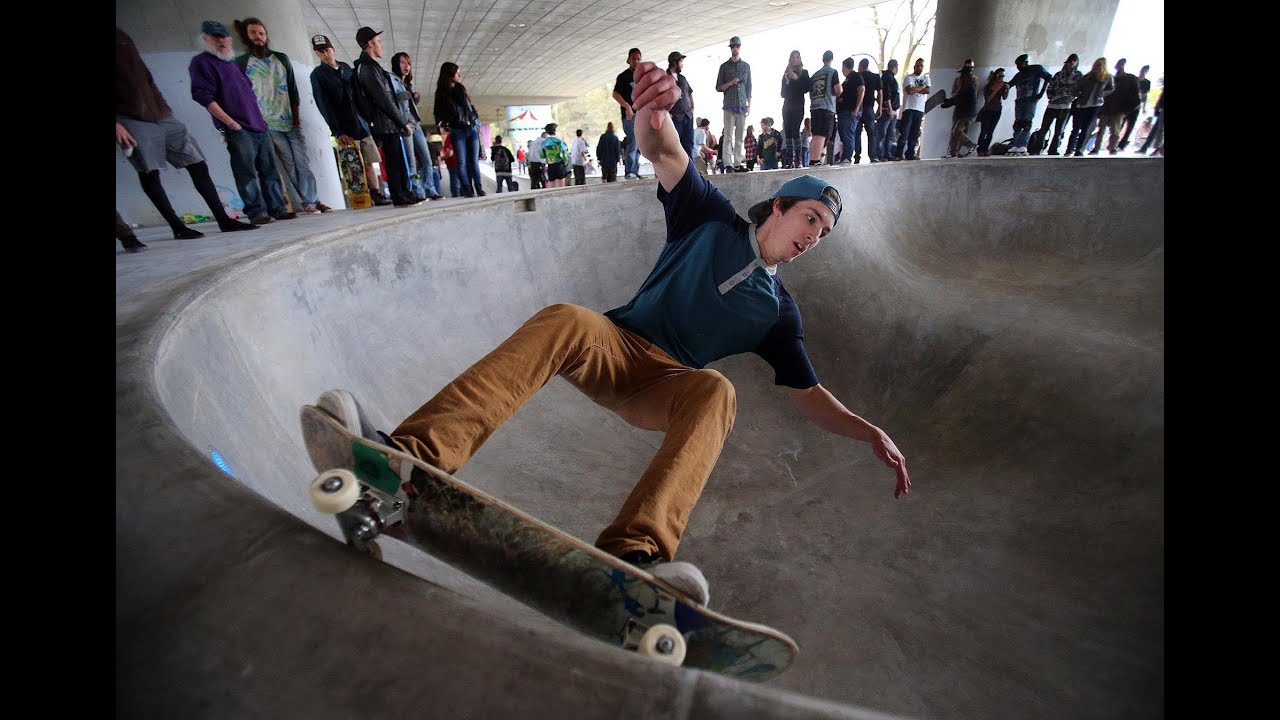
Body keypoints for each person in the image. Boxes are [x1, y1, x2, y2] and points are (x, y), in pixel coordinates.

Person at [314, 58, 911, 607]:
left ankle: (636, 555)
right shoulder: (708, 216)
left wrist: (868, 431)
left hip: (664, 385)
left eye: (824, 232)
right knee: (568, 317)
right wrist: (653, 113)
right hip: (613, 348)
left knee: (717, 391)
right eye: (810, 218)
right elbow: (665, 151)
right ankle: (411, 460)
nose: (813, 236)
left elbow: (809, 394)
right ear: (779, 206)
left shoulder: (779, 311)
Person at [116, 26, 257, 237]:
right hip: (129, 117)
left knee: (197, 164)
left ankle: (224, 220)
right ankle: (177, 227)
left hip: (162, 113)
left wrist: (163, 106)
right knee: (149, 171)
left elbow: (145, 76)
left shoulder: (122, 35)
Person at [189, 20, 293, 225]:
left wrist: (261, 121)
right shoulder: (202, 63)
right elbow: (204, 97)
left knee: (269, 170)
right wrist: (230, 123)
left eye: (225, 37)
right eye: (216, 37)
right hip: (238, 128)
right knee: (246, 172)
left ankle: (278, 208)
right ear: (205, 39)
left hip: (259, 125)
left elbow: (248, 95)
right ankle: (257, 212)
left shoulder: (231, 64)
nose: (223, 41)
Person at [233, 17, 329, 214]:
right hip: (266, 124)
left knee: (302, 162)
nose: (258, 37)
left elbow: (292, 89)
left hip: (289, 120)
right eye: (253, 33)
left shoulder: (281, 59)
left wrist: (296, 117)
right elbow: (242, 95)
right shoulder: (241, 63)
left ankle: (312, 199)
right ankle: (307, 203)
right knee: (288, 165)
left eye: (261, 33)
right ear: (246, 36)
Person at [309, 33, 389, 205]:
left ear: (333, 49)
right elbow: (324, 105)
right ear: (316, 53)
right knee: (354, 165)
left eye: (327, 49)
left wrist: (368, 119)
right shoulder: (318, 75)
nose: (325, 54)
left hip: (361, 123)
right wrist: (337, 131)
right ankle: (361, 197)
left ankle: (376, 193)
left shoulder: (346, 68)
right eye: (321, 51)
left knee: (370, 160)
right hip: (345, 127)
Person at [352, 27, 422, 207]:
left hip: (388, 122)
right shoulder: (367, 68)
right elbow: (383, 99)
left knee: (398, 160)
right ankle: (400, 196)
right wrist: (402, 122)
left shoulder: (371, 67)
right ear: (370, 44)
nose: (380, 45)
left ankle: (404, 193)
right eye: (378, 42)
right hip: (385, 122)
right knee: (394, 161)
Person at [390, 52, 444, 200]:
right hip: (405, 125)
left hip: (416, 124)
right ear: (396, 64)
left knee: (427, 159)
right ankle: (417, 191)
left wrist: (415, 98)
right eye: (403, 62)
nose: (406, 66)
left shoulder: (410, 83)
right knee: (411, 161)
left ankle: (430, 189)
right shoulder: (392, 80)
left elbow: (410, 105)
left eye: (408, 63)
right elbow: (394, 102)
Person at [433, 61, 484, 197]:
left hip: (471, 128)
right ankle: (467, 188)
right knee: (461, 162)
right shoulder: (442, 93)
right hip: (457, 130)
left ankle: (478, 187)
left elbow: (470, 106)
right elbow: (437, 112)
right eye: (457, 73)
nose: (459, 75)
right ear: (450, 74)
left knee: (473, 161)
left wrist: (474, 117)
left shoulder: (461, 89)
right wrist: (444, 125)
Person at [1064, 57, 1114, 156]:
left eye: (1099, 65)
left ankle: (1079, 150)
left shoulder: (1107, 77)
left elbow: (1111, 88)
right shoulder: (1087, 77)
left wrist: (1102, 94)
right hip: (1081, 105)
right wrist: (1078, 94)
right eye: (1095, 65)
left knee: (1086, 128)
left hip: (1095, 105)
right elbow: (1076, 89)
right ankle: (1069, 149)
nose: (1096, 67)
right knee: (1076, 128)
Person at [716, 37, 752, 172]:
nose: (735, 48)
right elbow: (718, 87)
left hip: (742, 105)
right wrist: (730, 83)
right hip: (729, 105)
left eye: (737, 46)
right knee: (728, 136)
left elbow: (749, 86)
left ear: (740, 47)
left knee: (739, 137)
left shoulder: (746, 66)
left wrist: (749, 104)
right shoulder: (724, 67)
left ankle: (737, 163)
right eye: (732, 46)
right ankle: (728, 164)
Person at [1005, 53, 1053, 155]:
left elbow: (1048, 77)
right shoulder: (1018, 75)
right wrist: (1005, 86)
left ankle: (1023, 144)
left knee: (1027, 123)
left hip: (1030, 100)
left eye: (1020, 64)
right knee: (1018, 123)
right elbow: (1010, 84)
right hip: (1020, 101)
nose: (1018, 67)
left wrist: (1042, 92)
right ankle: (1016, 144)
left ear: (1026, 63)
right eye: (1017, 65)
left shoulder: (1036, 69)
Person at [1091, 58, 1139, 155]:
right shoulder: (1111, 78)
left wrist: (1127, 110)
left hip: (1119, 109)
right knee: (1101, 130)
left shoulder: (1130, 79)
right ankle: (1097, 149)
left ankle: (1112, 148)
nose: (1119, 67)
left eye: (1121, 65)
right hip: (1107, 108)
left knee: (1115, 131)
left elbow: (1135, 97)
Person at [1036, 53, 1080, 156]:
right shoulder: (1058, 75)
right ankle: (1037, 148)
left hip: (1065, 106)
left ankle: (1053, 149)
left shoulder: (1077, 76)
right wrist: (1050, 96)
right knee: (1044, 128)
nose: (1071, 63)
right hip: (1052, 104)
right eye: (1070, 61)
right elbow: (1050, 86)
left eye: (1074, 61)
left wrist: (1071, 97)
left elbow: (1078, 89)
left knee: (1059, 130)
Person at [613, 48, 644, 179]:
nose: (636, 61)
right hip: (630, 116)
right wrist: (626, 106)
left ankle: (635, 170)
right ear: (628, 60)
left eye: (638, 59)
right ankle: (630, 171)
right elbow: (615, 94)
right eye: (633, 59)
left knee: (640, 144)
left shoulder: (643, 76)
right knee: (633, 141)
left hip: (642, 115)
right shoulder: (623, 77)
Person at [808, 50, 841, 166]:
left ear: (823, 59)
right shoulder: (832, 72)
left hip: (814, 106)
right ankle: (815, 160)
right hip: (826, 106)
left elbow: (811, 92)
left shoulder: (815, 75)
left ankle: (812, 159)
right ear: (831, 59)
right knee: (822, 134)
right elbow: (838, 90)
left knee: (815, 134)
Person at [780, 50, 810, 169]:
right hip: (787, 106)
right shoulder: (786, 74)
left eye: (797, 57)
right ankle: (789, 159)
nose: (795, 59)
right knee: (787, 132)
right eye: (793, 57)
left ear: (800, 59)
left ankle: (798, 158)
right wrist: (787, 81)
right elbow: (782, 94)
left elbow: (806, 88)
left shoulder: (804, 73)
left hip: (798, 106)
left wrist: (797, 79)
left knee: (795, 131)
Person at [942, 64, 979, 158]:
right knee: (954, 132)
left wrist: (946, 103)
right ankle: (952, 152)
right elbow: (957, 98)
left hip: (967, 114)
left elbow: (957, 99)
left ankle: (970, 144)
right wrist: (947, 102)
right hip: (963, 113)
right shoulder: (968, 86)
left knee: (957, 131)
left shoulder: (967, 87)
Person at [897, 58, 929, 160]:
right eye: (918, 65)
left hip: (919, 109)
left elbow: (927, 90)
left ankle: (910, 154)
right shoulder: (908, 78)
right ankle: (898, 154)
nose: (919, 67)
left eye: (921, 66)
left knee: (914, 134)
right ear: (914, 66)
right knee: (904, 133)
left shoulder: (926, 78)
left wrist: (917, 89)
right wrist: (922, 87)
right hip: (908, 108)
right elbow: (910, 91)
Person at [666, 52, 696, 162]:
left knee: (689, 145)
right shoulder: (664, 78)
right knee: (674, 145)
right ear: (675, 62)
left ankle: (689, 167)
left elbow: (689, 92)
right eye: (681, 61)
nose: (682, 64)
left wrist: (692, 108)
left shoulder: (682, 78)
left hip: (687, 116)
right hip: (675, 118)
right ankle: (676, 168)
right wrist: (667, 113)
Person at [835, 58, 864, 164]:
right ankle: (844, 157)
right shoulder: (847, 80)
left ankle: (847, 157)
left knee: (848, 135)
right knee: (844, 135)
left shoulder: (856, 76)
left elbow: (861, 90)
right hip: (843, 111)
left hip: (850, 111)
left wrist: (856, 108)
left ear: (844, 66)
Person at [975, 68, 1009, 156]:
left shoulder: (1002, 86)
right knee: (984, 131)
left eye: (1003, 76)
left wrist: (1006, 89)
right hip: (987, 110)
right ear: (995, 76)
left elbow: (1005, 97)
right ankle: (980, 149)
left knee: (990, 132)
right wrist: (996, 90)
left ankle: (985, 149)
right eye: (1000, 76)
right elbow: (988, 99)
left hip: (997, 110)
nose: (1001, 78)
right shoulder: (988, 87)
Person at [853, 58, 880, 164]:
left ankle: (857, 156)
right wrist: (880, 107)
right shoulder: (875, 77)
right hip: (869, 107)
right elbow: (880, 93)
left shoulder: (857, 77)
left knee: (857, 133)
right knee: (871, 133)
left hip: (858, 107)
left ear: (860, 66)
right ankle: (873, 156)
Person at [876, 60, 901, 162]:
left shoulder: (890, 78)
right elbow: (887, 95)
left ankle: (887, 154)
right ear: (894, 67)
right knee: (882, 134)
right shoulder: (887, 77)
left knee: (890, 135)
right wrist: (890, 109)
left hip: (892, 110)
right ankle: (880, 154)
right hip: (888, 110)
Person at [541, 123, 570, 188]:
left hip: (550, 165)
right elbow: (564, 153)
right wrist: (565, 161)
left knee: (552, 186)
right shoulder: (559, 141)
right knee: (561, 186)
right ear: (555, 131)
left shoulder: (544, 143)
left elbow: (542, 155)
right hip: (559, 165)